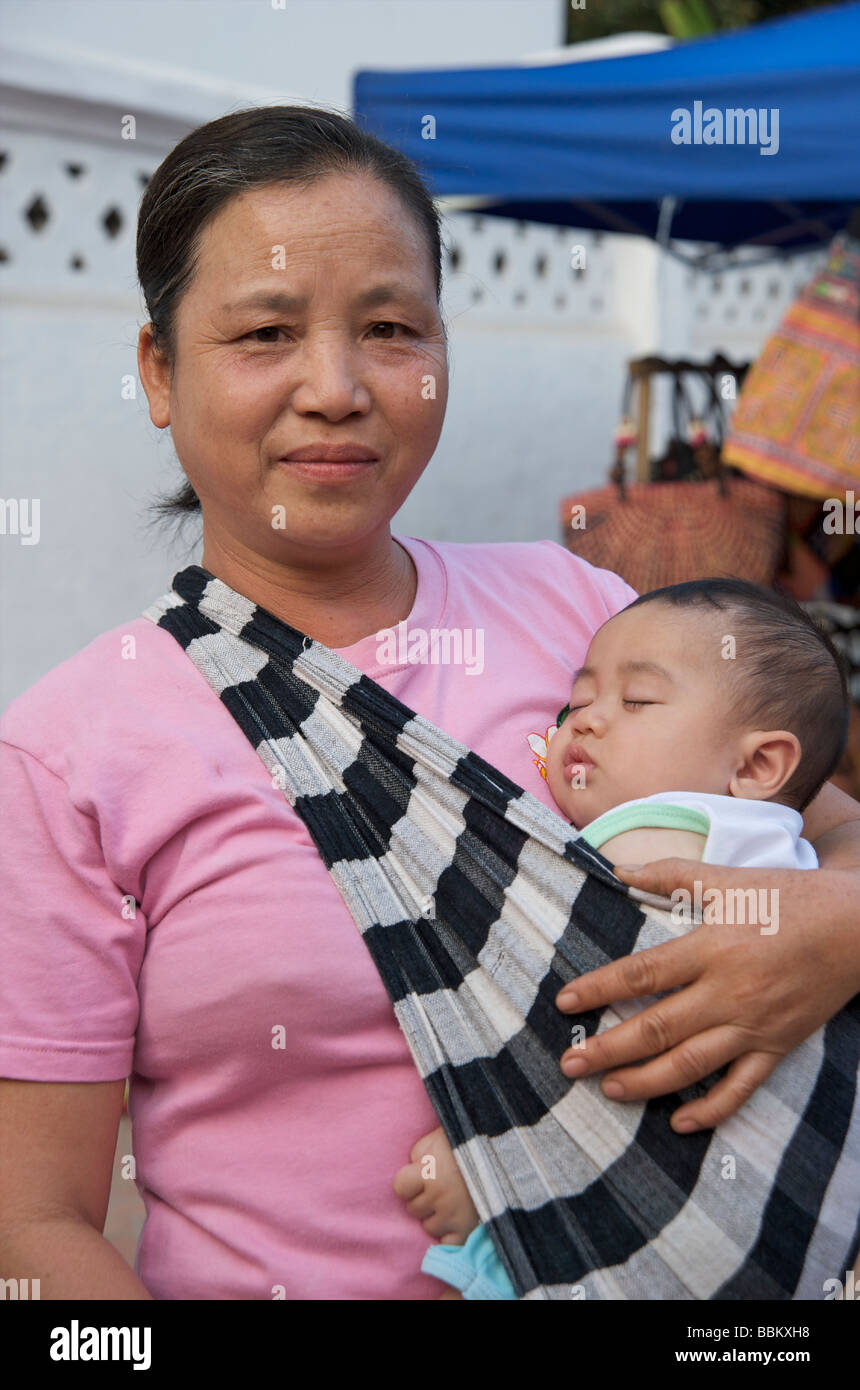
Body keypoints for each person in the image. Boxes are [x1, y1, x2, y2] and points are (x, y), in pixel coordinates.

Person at [1, 106, 860, 1302]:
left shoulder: (582, 618)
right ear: (159, 368)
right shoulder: (67, 754)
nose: (337, 387)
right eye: (264, 333)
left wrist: (833, 926)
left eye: (391, 327)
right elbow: (33, 1229)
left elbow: (818, 820)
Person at [394, 578, 855, 1298]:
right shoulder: (774, 846)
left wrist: (483, 1151)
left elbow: (575, 1000)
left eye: (636, 703)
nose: (586, 723)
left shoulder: (658, 839)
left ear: (759, 765)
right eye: (577, 703)